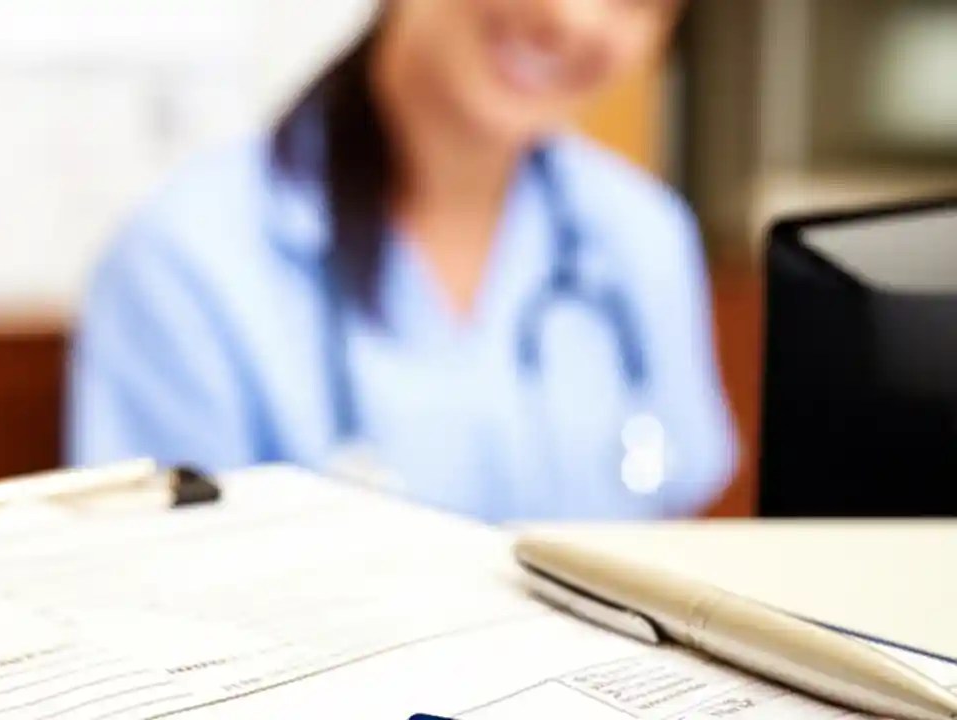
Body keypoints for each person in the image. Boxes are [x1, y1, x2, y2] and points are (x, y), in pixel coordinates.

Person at [70, 0, 736, 523]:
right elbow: (159, 613)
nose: (571, 15)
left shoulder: (643, 237)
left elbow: (679, 541)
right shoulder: (185, 263)